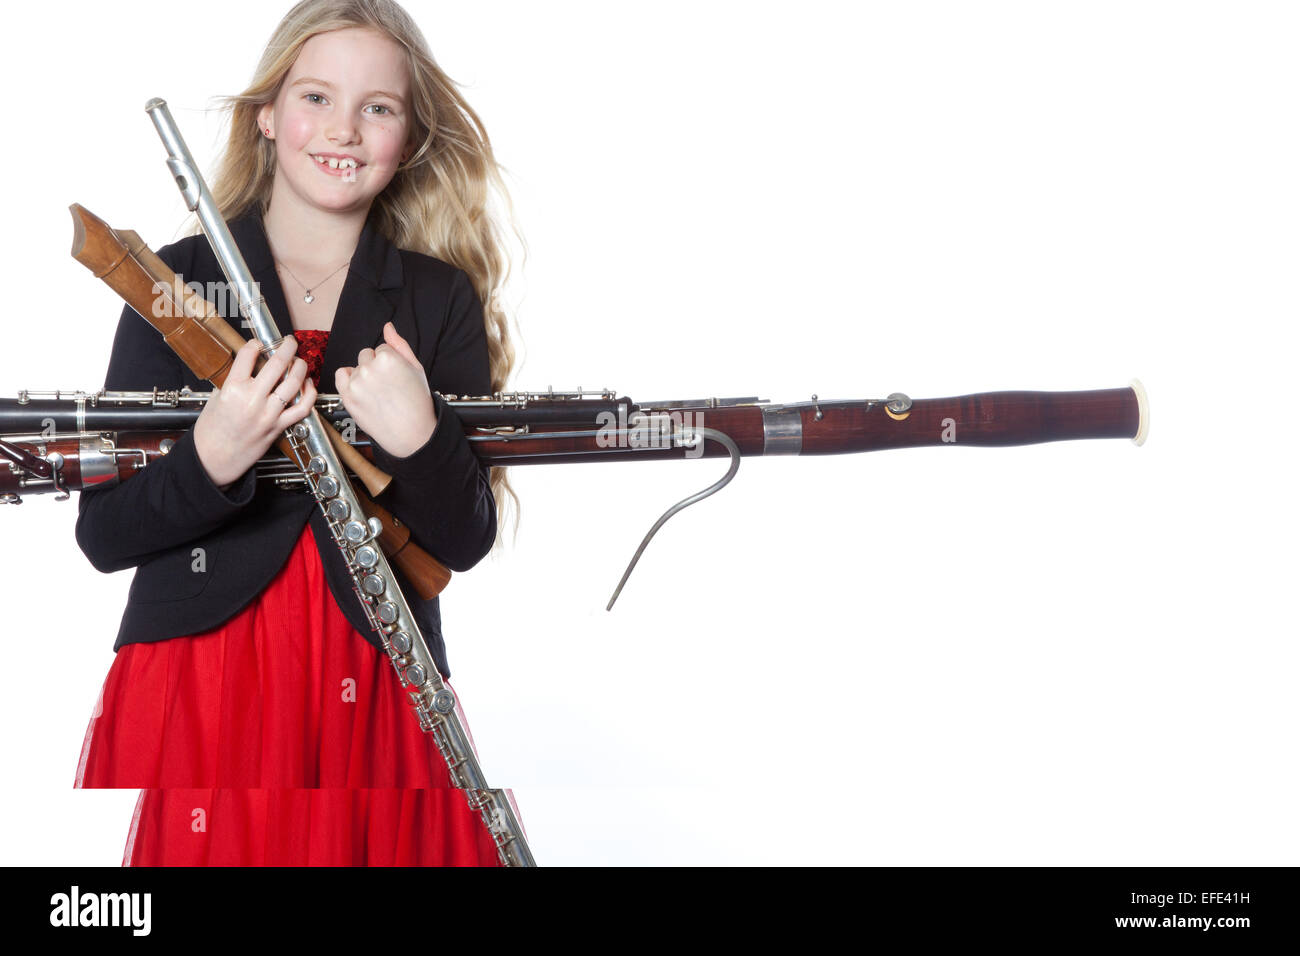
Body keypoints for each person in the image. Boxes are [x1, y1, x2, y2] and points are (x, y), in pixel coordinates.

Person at [72, 0, 521, 866]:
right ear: (268, 116)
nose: (343, 130)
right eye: (316, 97)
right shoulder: (175, 281)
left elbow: (464, 538)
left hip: (382, 664)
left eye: (377, 107)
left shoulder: (437, 298)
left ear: (409, 135)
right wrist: (214, 456)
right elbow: (103, 534)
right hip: (212, 676)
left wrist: (422, 440)